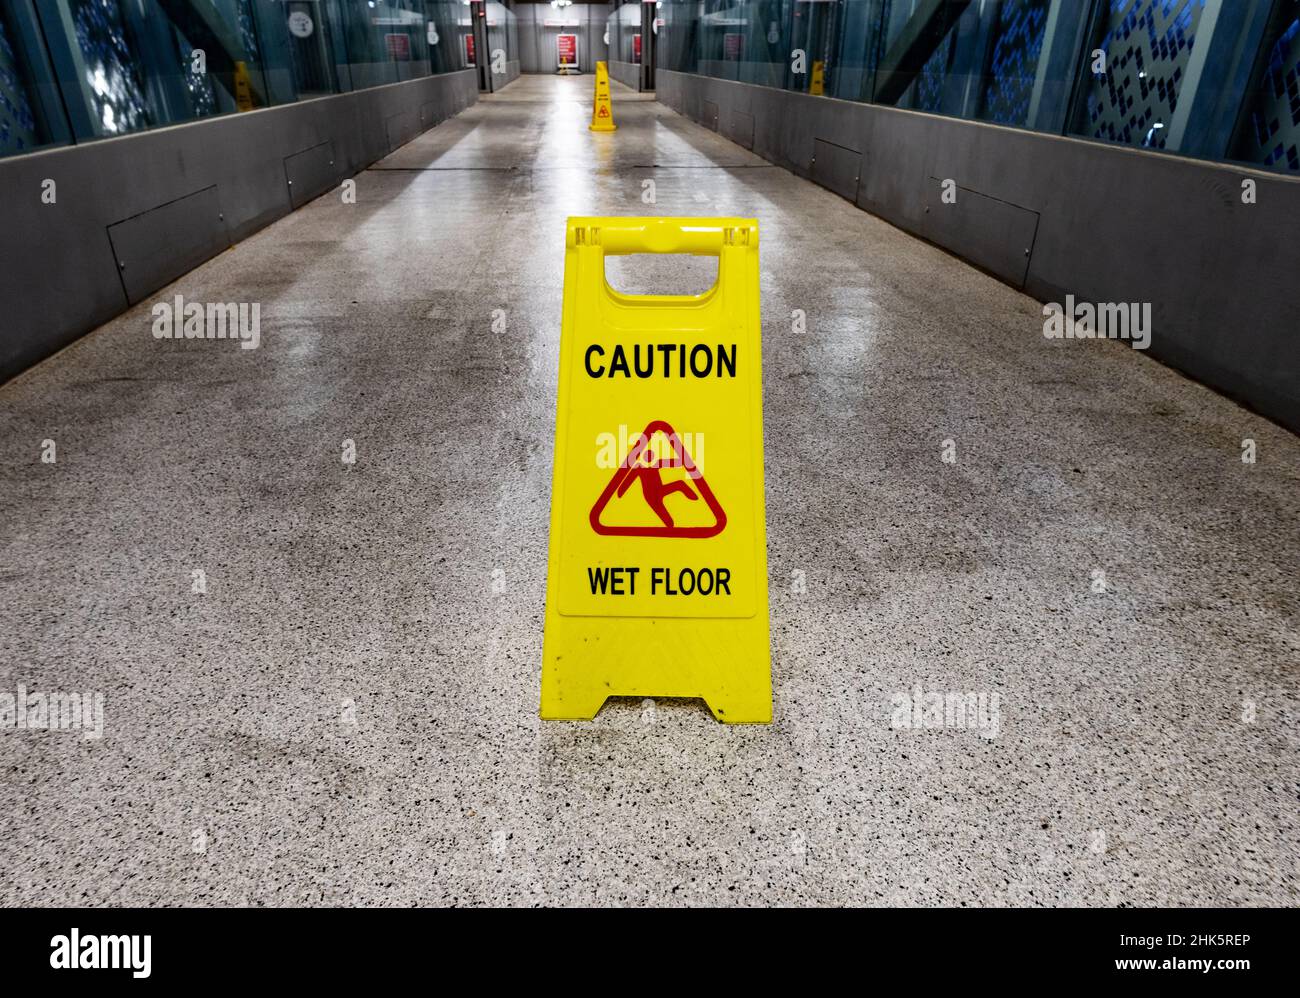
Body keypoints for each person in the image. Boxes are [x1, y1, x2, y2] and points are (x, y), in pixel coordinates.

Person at [617, 450, 697, 528]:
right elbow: (628, 480)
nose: (649, 459)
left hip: (660, 490)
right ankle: (670, 527)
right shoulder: (639, 467)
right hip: (650, 496)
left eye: (651, 457)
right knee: (667, 520)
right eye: (648, 457)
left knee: (680, 484)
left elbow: (672, 463)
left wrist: (684, 460)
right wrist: (620, 492)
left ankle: (694, 497)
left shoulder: (656, 463)